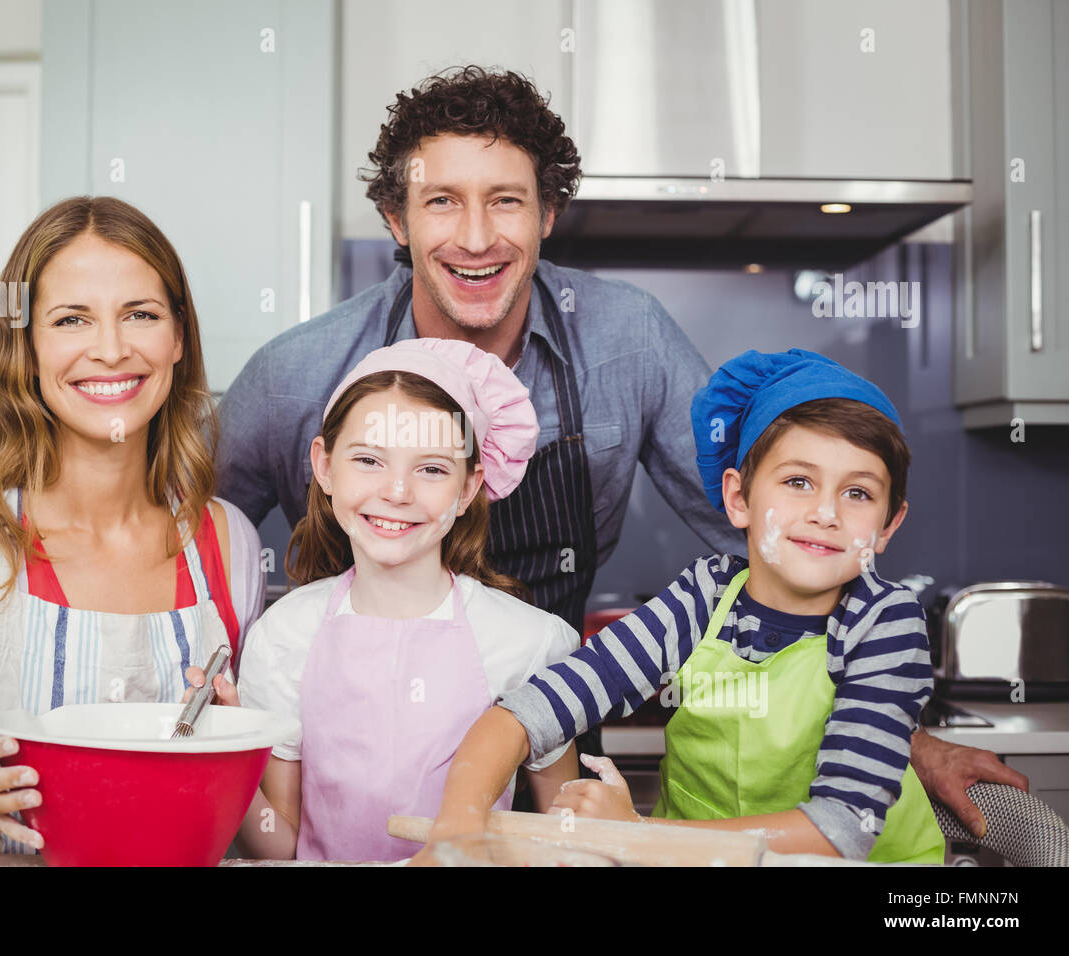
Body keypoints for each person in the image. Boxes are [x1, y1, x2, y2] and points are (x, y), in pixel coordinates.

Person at [216, 65, 1026, 831]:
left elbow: (780, 543)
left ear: (547, 215)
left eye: (505, 201)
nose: (475, 237)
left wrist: (899, 736)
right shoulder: (299, 375)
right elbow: (188, 539)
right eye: (440, 203)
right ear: (397, 219)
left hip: (553, 729)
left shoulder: (627, 341)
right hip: (340, 775)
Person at [0, 196, 263, 855]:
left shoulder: (230, 543)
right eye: (71, 320)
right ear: (27, 348)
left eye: (141, 315)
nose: (112, 349)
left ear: (178, 337)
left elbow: (245, 819)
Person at [416, 350, 952, 862]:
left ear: (887, 525)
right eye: (797, 482)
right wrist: (457, 827)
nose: (826, 513)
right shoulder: (706, 596)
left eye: (858, 493)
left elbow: (840, 831)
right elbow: (532, 711)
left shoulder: (884, 621)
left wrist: (641, 835)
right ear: (738, 498)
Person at [207, 339, 579, 861]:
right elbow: (280, 846)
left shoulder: (528, 642)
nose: (397, 492)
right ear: (325, 465)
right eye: (368, 460)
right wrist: (227, 752)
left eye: (431, 469)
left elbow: (563, 837)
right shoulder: (285, 635)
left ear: (470, 486)